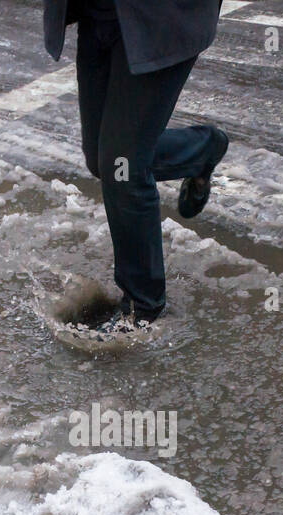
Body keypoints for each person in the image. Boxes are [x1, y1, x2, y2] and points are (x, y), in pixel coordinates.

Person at [43, 0, 229, 329]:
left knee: (121, 165)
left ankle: (142, 307)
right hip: (97, 14)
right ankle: (201, 150)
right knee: (103, 160)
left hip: (160, 19)